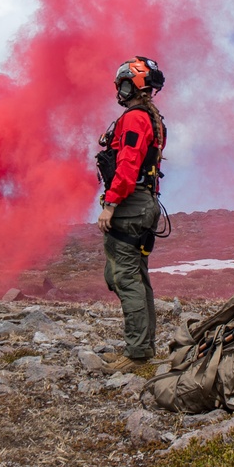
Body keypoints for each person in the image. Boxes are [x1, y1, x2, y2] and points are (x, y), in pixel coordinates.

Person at [95, 56, 167, 375]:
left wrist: (110, 204)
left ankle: (137, 354)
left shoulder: (135, 119)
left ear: (135, 85)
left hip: (130, 204)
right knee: (136, 275)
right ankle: (144, 347)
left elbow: (127, 165)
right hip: (145, 202)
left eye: (124, 84)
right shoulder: (152, 119)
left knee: (124, 276)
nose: (120, 91)